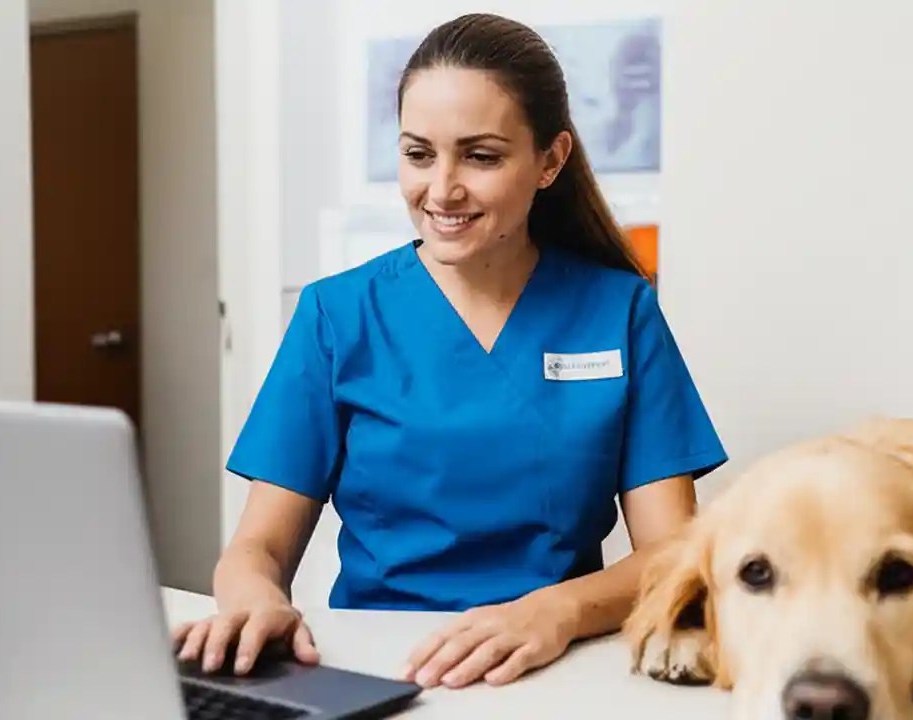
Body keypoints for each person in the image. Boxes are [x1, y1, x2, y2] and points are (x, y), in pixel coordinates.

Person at [173, 12, 727, 690]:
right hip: (378, 670)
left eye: (482, 156)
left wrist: (556, 612)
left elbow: (675, 555)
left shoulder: (619, 313)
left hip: (560, 667)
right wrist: (256, 599)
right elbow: (256, 549)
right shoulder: (338, 315)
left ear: (550, 160)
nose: (441, 190)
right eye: (418, 154)